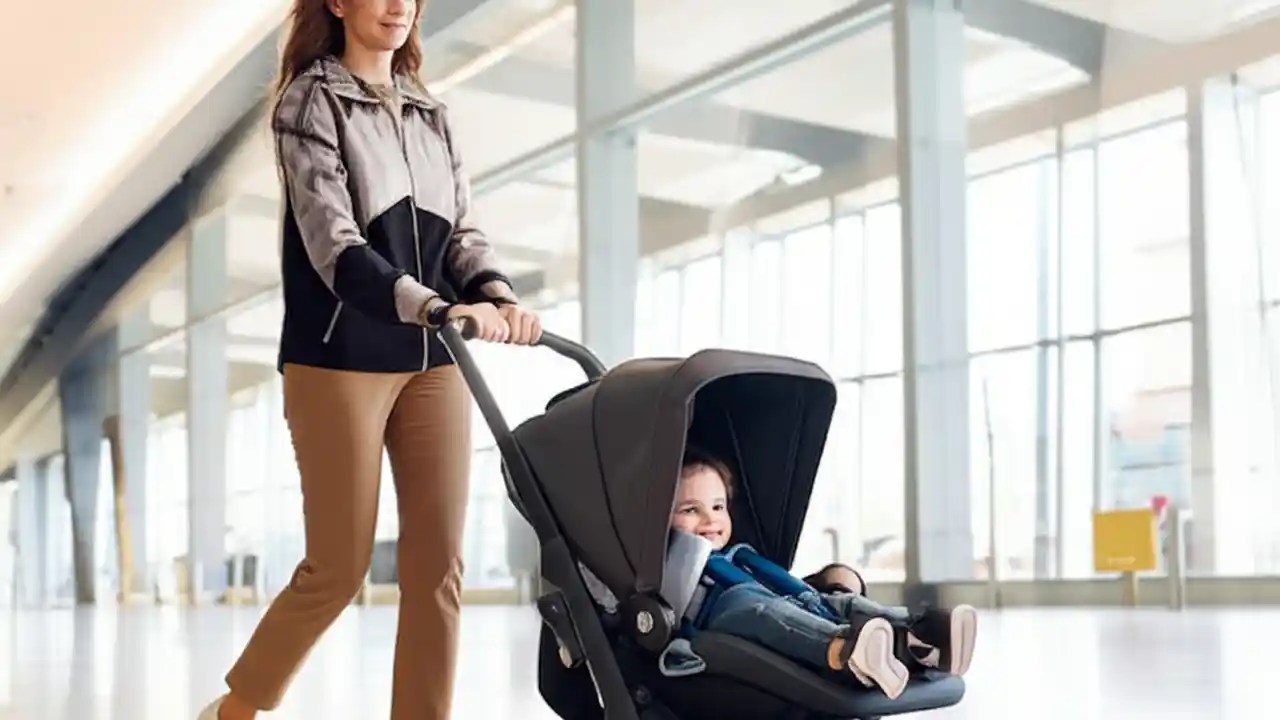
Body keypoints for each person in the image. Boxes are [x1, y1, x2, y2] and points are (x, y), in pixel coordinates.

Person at [199, 1, 539, 718]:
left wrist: (498, 295)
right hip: (339, 359)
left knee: (437, 565)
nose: (397, 6)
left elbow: (462, 234)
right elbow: (334, 244)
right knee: (339, 564)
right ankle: (239, 704)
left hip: (433, 361)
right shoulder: (310, 100)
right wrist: (437, 306)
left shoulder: (429, 111)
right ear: (338, 3)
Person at [670, 448, 978, 700]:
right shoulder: (673, 564)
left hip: (784, 596)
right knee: (765, 613)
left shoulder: (740, 554)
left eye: (718, 506)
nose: (710, 519)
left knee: (840, 603)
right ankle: (843, 650)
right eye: (690, 510)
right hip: (725, 613)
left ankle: (919, 636)